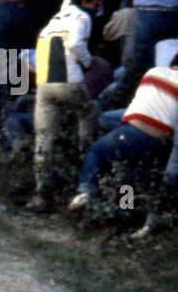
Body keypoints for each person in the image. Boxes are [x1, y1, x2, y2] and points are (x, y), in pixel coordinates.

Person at [29, 0, 103, 211]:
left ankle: (41, 194)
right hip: (68, 80)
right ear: (84, 1)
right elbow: (75, 44)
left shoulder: (55, 20)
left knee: (43, 140)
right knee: (89, 116)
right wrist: (89, 62)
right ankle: (83, 177)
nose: (97, 9)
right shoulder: (81, 17)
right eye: (95, 3)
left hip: (44, 84)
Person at [71, 61, 178, 211]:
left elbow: (141, 105)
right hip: (159, 143)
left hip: (133, 132)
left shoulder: (155, 72)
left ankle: (86, 193)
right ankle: (125, 208)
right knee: (130, 171)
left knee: (97, 152)